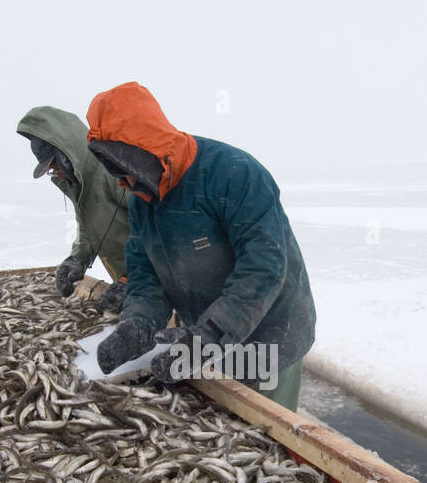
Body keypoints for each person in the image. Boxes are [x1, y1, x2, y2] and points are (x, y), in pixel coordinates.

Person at [87, 82, 315, 411]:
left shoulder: (234, 174)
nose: (127, 184)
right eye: (119, 175)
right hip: (208, 329)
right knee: (223, 420)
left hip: (270, 335)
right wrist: (138, 324)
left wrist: (206, 337)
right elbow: (145, 273)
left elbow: (263, 267)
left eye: (128, 171)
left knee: (266, 433)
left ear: (145, 152)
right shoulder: (142, 199)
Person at [17, 106, 131, 312]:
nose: (55, 172)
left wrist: (131, 279)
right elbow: (89, 227)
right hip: (137, 287)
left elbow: (158, 230)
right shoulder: (80, 183)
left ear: (66, 152)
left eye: (54, 164)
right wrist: (77, 258)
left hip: (167, 284)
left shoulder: (113, 171)